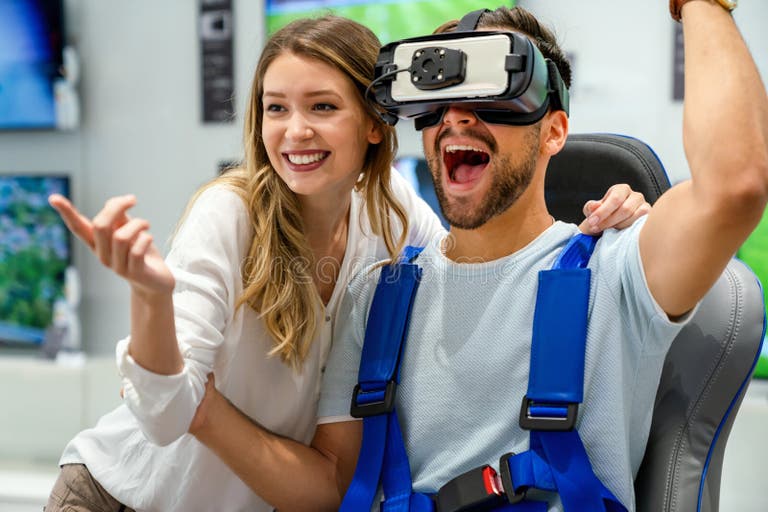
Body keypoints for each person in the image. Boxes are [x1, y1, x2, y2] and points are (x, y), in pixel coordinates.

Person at [44, 14, 647, 512]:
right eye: (275, 108)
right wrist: (150, 297)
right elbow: (164, 414)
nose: (294, 132)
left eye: (322, 107)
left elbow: (478, 257)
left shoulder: (396, 220)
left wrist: (617, 214)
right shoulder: (229, 215)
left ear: (376, 124)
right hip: (119, 497)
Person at [187, 2, 768, 512]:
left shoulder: (616, 273)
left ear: (554, 131)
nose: (457, 120)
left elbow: (737, 182)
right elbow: (335, 482)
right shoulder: (378, 299)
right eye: (437, 105)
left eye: (491, 100)